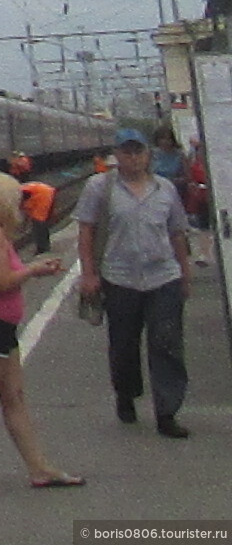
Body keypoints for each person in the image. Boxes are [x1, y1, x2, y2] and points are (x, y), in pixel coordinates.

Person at [0, 169, 80, 494]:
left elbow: (4, 275)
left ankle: (38, 468)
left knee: (13, 398)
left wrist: (31, 269)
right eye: (12, 197)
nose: (18, 203)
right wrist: (33, 269)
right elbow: (1, 281)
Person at [77, 127, 196, 438]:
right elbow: (87, 232)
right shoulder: (99, 188)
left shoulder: (165, 189)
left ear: (148, 154)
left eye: (138, 151)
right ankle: (126, 394)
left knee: (167, 344)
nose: (133, 157)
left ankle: (167, 412)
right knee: (124, 346)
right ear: (116, 155)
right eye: (126, 151)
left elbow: (177, 233)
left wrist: (185, 273)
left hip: (163, 277)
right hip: (120, 278)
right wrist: (89, 274)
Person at [20, 176, 57, 254]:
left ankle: (42, 248)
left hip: (43, 196)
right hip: (45, 193)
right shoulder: (22, 190)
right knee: (41, 224)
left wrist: (24, 223)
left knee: (38, 223)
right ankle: (44, 245)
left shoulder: (20, 193)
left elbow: (25, 206)